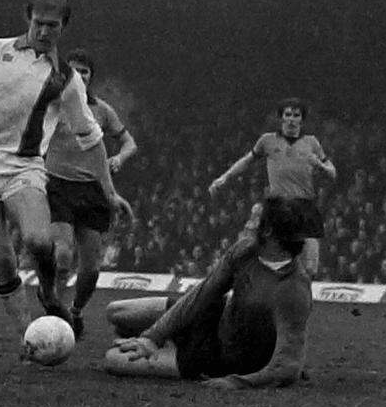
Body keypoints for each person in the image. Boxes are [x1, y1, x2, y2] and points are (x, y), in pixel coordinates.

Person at [0, 0, 128, 341]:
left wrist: (109, 192)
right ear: (28, 18)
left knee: (38, 240)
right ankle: (29, 335)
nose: (44, 31)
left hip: (23, 167)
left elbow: (92, 139)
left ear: (63, 26)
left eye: (52, 25)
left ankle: (48, 292)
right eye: (39, 23)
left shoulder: (65, 79)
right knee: (2, 257)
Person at [101, 197, 312, 388]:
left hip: (213, 357)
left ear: (268, 232)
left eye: (254, 218)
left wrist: (236, 382)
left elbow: (287, 368)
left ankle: (169, 348)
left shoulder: (293, 291)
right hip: (211, 318)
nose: (247, 223)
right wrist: (152, 337)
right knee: (116, 312)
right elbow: (203, 293)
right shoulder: (244, 251)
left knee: (111, 359)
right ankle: (162, 342)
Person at [43, 49, 137, 338]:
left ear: (91, 76)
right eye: (75, 70)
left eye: (85, 71)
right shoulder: (52, 106)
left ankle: (76, 311)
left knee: (92, 269)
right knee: (62, 255)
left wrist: (120, 158)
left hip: (93, 190)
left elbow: (129, 143)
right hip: (57, 184)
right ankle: (54, 313)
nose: (80, 75)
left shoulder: (103, 111)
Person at [208, 99, 336, 276]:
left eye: (296, 115)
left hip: (304, 205)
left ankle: (303, 294)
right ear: (282, 117)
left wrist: (321, 166)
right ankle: (231, 277)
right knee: (252, 248)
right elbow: (247, 160)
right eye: (288, 114)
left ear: (301, 120)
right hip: (278, 205)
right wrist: (225, 177)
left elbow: (332, 172)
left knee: (311, 267)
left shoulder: (311, 142)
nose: (291, 119)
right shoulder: (267, 140)